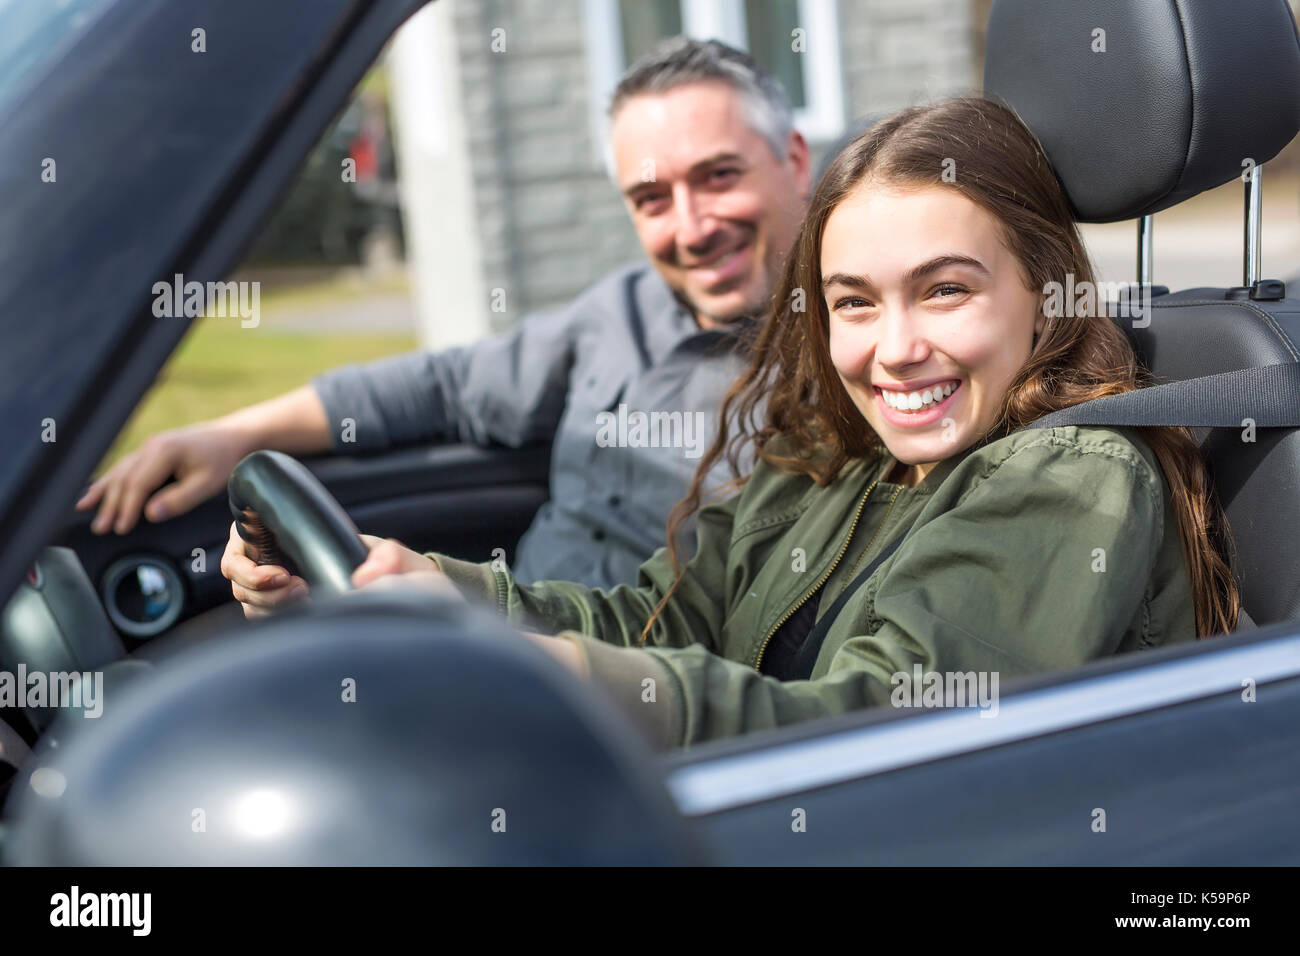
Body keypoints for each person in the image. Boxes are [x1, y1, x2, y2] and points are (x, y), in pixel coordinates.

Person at [224, 96, 1241, 749]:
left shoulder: (1069, 473)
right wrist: (427, 586)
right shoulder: (837, 460)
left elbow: (880, 733)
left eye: (943, 291)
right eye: (852, 301)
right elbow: (658, 624)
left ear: (1042, 292)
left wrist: (561, 677)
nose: (891, 349)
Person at [77, 37, 812, 590]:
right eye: (652, 199)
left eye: (718, 178)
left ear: (796, 160)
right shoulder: (618, 312)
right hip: (506, 654)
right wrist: (229, 435)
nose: (690, 227)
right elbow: (441, 387)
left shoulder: (855, 359)